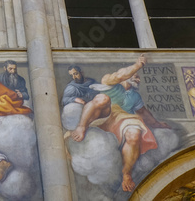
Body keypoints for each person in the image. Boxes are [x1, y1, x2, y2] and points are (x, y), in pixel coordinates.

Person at [68, 55, 168, 193]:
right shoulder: (109, 81)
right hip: (104, 115)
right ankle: (81, 126)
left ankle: (126, 173)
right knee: (102, 98)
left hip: (123, 119)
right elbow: (121, 74)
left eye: (138, 77)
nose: (137, 79)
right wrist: (137, 65)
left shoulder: (134, 96)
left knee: (134, 134)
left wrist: (158, 124)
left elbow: (144, 113)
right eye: (134, 76)